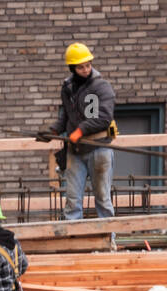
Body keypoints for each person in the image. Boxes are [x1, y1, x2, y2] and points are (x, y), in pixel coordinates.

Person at [39, 43, 116, 220]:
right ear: (72, 68)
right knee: (72, 201)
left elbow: (103, 118)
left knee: (103, 199)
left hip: (98, 148)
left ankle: (108, 239)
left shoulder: (100, 87)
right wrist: (54, 130)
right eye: (81, 67)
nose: (85, 69)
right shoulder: (68, 88)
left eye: (88, 65)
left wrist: (80, 130)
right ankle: (72, 238)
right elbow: (66, 115)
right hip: (76, 151)